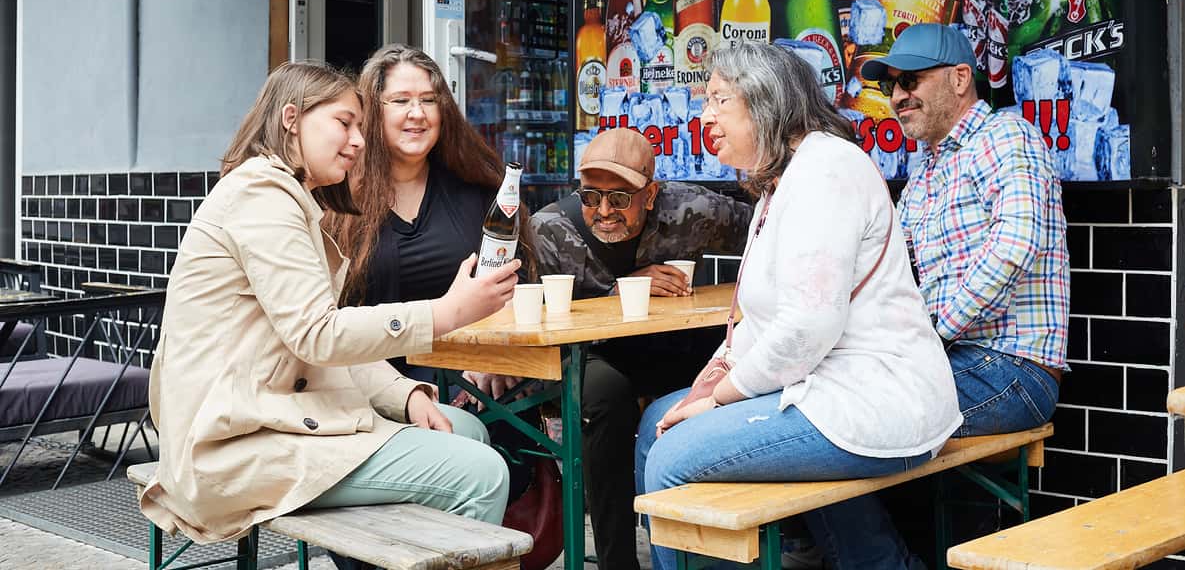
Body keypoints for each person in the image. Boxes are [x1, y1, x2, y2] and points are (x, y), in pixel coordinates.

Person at [138, 62, 521, 563]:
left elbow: (311, 337)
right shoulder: (262, 195)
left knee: (465, 429)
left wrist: (404, 395)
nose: (360, 140)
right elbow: (319, 335)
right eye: (345, 122)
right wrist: (446, 313)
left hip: (265, 420)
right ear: (292, 119)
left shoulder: (287, 198)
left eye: (361, 126)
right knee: (483, 470)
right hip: (230, 446)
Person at [635, 42, 963, 570]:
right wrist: (709, 383)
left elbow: (808, 325)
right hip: (821, 389)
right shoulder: (781, 183)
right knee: (658, 422)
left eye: (719, 99)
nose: (705, 115)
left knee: (674, 456)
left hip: (873, 398)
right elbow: (762, 320)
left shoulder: (826, 169)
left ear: (764, 100)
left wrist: (720, 399)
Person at [530, 127, 752, 570]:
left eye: (620, 198)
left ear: (650, 194)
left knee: (724, 367)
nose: (604, 211)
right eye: (591, 197)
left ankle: (710, 547)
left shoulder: (694, 208)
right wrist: (618, 290)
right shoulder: (549, 230)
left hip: (671, 348)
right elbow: (533, 320)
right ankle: (618, 562)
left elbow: (770, 230)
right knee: (603, 394)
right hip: (587, 357)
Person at [860, 23, 1070, 436]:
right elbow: (890, 269)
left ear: (959, 78)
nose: (898, 96)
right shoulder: (922, 175)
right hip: (950, 359)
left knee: (855, 417)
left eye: (911, 80)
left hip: (1013, 370)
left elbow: (1014, 247)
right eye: (891, 87)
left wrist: (935, 333)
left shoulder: (1006, 137)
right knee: (835, 402)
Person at [324, 43, 535, 400]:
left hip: (478, 380)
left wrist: (495, 357)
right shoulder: (338, 200)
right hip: (374, 388)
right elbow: (327, 323)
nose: (417, 113)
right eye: (401, 100)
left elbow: (519, 284)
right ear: (373, 111)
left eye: (428, 100)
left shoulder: (477, 190)